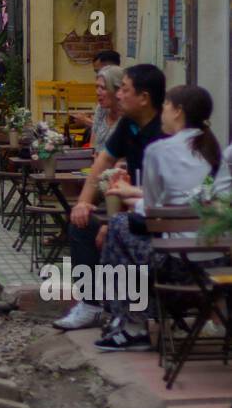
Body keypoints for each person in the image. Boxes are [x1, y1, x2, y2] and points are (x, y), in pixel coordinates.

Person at [95, 86, 223, 352]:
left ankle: (132, 325)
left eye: (165, 106)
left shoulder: (159, 150)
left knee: (118, 226)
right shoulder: (213, 148)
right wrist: (134, 195)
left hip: (179, 266)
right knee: (130, 234)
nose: (162, 112)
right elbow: (188, 199)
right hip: (218, 262)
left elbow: (151, 212)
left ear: (178, 112)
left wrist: (129, 196)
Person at [54, 64, 166, 330]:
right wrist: (83, 202)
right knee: (81, 223)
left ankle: (131, 315)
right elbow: (103, 160)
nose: (118, 95)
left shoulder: (164, 133)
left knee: (111, 230)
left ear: (144, 98)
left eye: (124, 90)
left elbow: (162, 194)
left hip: (160, 219)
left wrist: (116, 222)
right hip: (136, 210)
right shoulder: (130, 124)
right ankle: (90, 305)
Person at [73, 50, 123, 131]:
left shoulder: (127, 107)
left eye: (99, 71)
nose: (97, 92)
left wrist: (86, 121)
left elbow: (113, 133)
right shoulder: (102, 105)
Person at [90, 64, 124, 153]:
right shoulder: (101, 109)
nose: (97, 92)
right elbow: (92, 146)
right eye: (96, 87)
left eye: (103, 88)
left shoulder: (129, 116)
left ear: (117, 89)